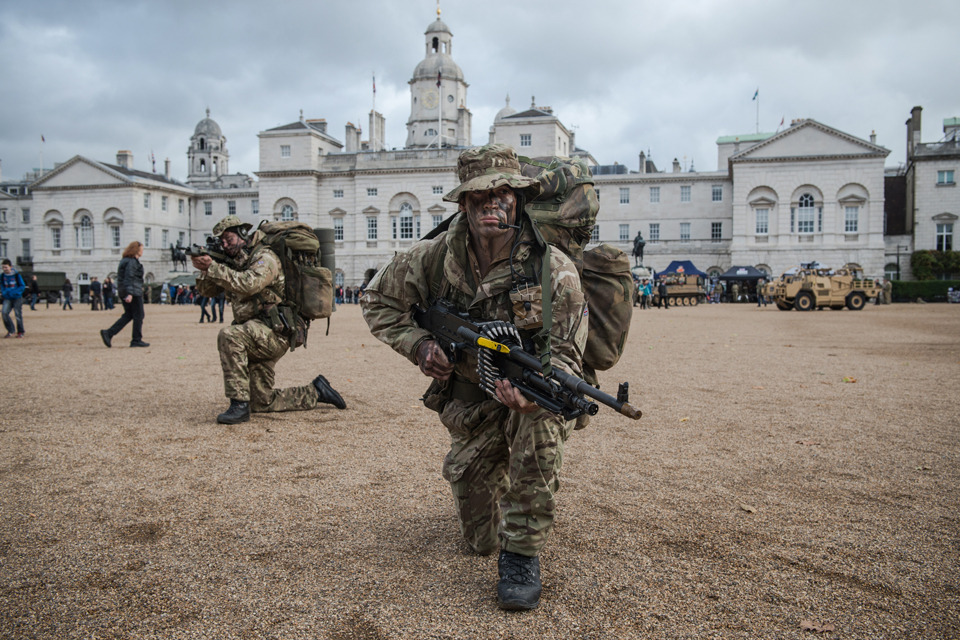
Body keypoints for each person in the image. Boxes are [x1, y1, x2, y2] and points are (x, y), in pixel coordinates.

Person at [361, 144, 588, 611]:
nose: (492, 202)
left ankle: (522, 553)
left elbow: (566, 354)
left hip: (520, 400)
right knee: (478, 541)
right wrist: (421, 345)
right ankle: (505, 480)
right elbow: (376, 301)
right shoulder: (431, 257)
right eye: (479, 195)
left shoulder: (553, 270)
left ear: (518, 199)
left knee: (543, 412)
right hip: (469, 407)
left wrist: (540, 392)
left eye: (503, 193)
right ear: (463, 203)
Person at [191, 215, 346, 425]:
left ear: (243, 234)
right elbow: (207, 291)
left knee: (229, 336)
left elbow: (249, 284)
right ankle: (316, 391)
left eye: (229, 239)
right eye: (222, 242)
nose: (225, 244)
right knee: (261, 401)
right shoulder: (235, 262)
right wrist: (205, 269)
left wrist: (213, 268)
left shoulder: (265, 257)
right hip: (255, 333)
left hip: (275, 332)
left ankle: (238, 405)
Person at [100, 241, 149, 348]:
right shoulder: (131, 262)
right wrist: (130, 293)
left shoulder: (127, 261)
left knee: (129, 314)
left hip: (127, 290)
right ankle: (136, 339)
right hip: (133, 292)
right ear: (137, 249)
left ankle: (109, 333)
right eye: (141, 249)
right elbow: (129, 277)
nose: (142, 251)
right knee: (139, 315)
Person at [2, 259, 26, 338]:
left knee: (18, 315)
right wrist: (4, 292)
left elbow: (22, 286)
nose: (5, 269)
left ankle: (20, 331)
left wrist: (15, 292)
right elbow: (1, 285)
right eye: (3, 267)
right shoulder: (2, 276)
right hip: (7, 297)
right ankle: (11, 330)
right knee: (4, 313)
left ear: (10, 267)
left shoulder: (16, 275)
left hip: (16, 297)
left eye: (6, 267)